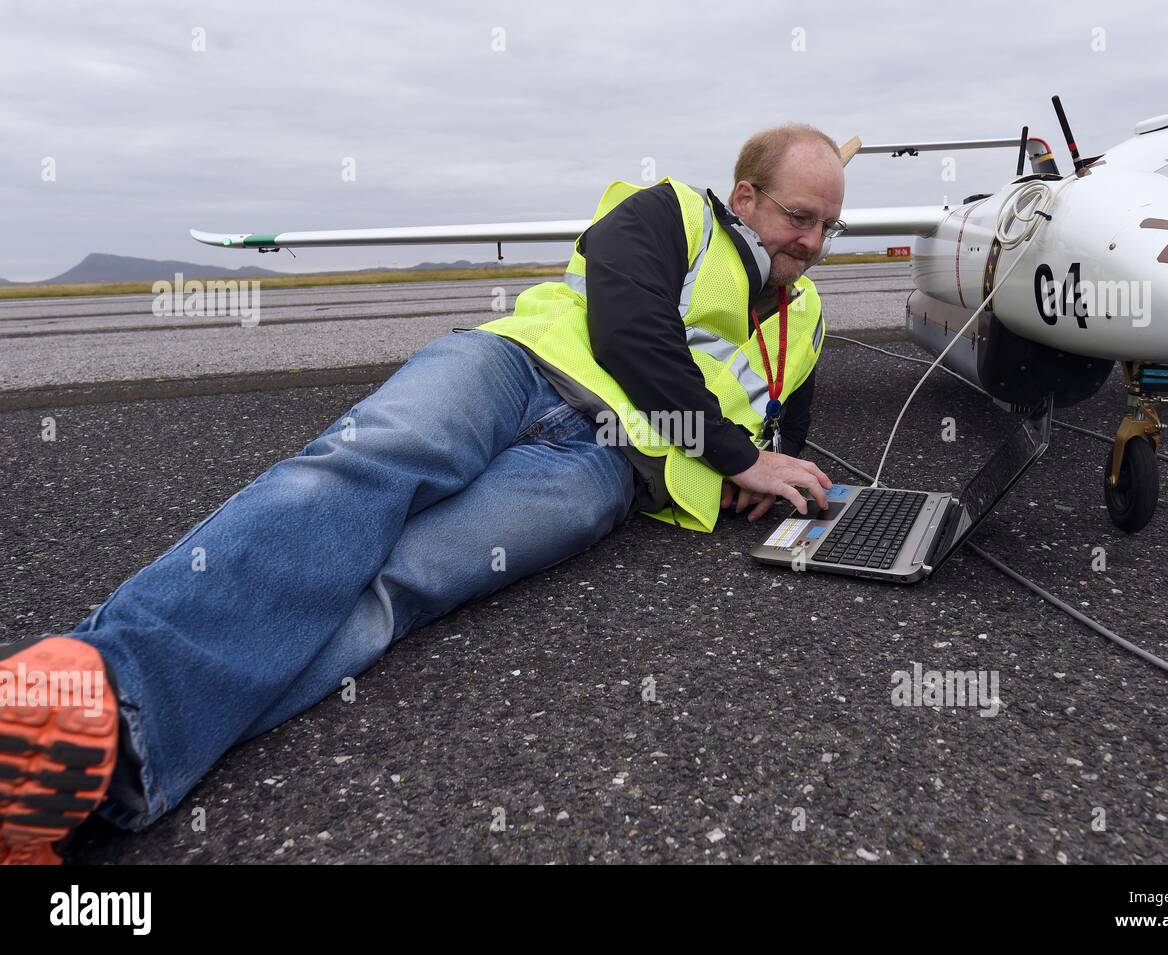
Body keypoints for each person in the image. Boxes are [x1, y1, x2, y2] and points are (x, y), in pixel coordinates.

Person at [0, 122, 845, 864]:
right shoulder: (671, 212)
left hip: (608, 467)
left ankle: (103, 759)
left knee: (396, 586)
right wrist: (738, 456)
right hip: (516, 369)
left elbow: (781, 437)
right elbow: (629, 332)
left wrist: (765, 478)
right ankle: (88, 700)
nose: (810, 240)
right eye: (798, 216)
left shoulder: (805, 316)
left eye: (827, 227)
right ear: (746, 195)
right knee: (354, 477)